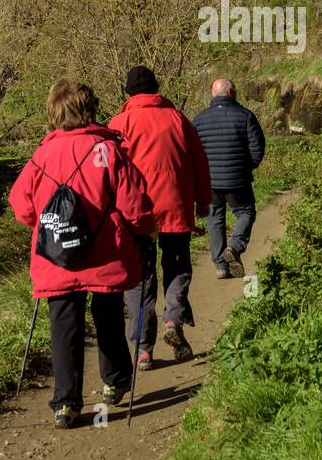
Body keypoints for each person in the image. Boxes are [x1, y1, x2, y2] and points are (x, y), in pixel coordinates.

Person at [8, 79, 155, 429]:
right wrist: (145, 230)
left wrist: (47, 225)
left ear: (54, 112)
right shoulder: (109, 151)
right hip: (105, 256)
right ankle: (115, 380)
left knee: (63, 325)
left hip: (57, 257)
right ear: (90, 109)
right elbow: (135, 206)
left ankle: (66, 403)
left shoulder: (41, 154)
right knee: (108, 316)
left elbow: (21, 206)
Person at [108, 65, 211, 368]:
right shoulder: (178, 119)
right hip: (175, 206)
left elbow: (110, 172)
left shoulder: (119, 123)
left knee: (140, 279)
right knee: (177, 265)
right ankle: (173, 320)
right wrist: (203, 203)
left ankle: (142, 350)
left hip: (136, 213)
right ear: (156, 89)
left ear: (128, 93)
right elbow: (199, 163)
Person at [193, 78, 265, 279]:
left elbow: (193, 152)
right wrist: (246, 167)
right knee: (246, 212)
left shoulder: (199, 120)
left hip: (210, 183)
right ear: (232, 93)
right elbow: (257, 148)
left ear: (213, 94)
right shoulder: (245, 116)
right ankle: (235, 246)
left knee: (214, 219)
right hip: (237, 180)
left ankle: (220, 267)